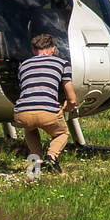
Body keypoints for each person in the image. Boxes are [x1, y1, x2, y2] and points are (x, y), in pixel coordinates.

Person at [13, 33, 77, 173]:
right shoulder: (62, 63)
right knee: (62, 134)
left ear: (34, 50)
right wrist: (68, 107)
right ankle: (51, 157)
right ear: (53, 49)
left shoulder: (24, 65)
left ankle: (35, 163)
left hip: (22, 112)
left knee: (30, 127)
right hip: (48, 111)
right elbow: (72, 98)